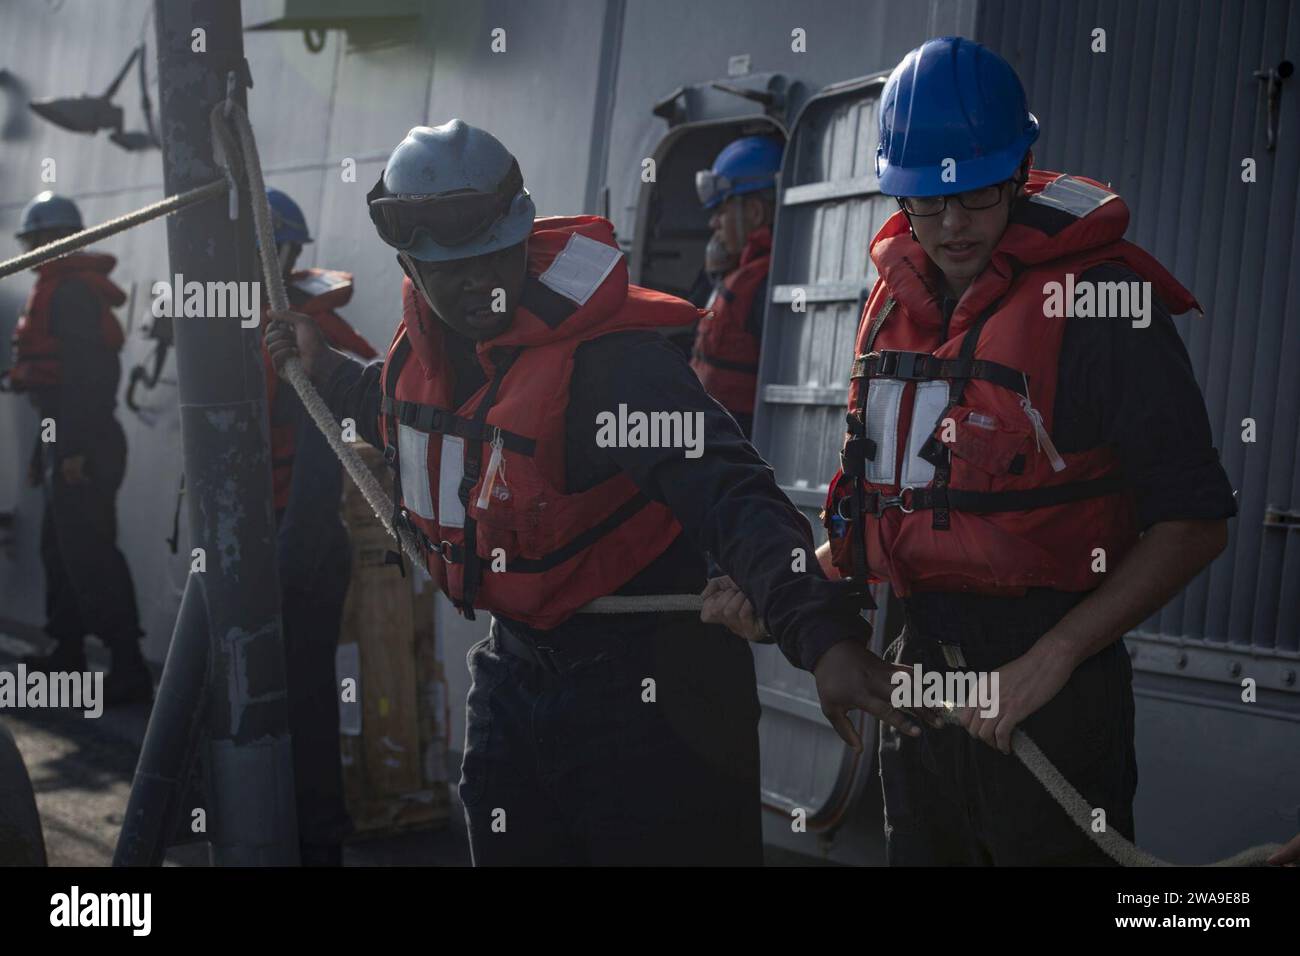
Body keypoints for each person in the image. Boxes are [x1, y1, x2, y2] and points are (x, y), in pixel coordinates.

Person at [265, 119, 930, 866]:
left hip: (657, 700)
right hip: (516, 676)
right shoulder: (427, 354)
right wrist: (324, 371)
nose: (472, 284)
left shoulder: (612, 370)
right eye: (445, 270)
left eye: (489, 259)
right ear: (410, 267)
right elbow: (410, 421)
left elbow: (729, 492)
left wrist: (823, 636)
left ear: (520, 238)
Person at [703, 37, 1239, 866]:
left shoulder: (1104, 305)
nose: (952, 224)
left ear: (1019, 172)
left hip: (1057, 694)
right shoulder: (895, 304)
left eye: (978, 195)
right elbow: (896, 514)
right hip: (916, 689)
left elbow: (1197, 523)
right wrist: (785, 587)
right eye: (925, 200)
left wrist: (1052, 658)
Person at [258, 187, 377, 866]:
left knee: (301, 697)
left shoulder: (304, 341)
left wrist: (286, 563)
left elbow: (312, 469)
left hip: (296, 542)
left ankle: (315, 842)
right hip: (271, 537)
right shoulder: (272, 327)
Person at [4, 191, 151, 707]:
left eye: (39, 241)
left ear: (57, 240)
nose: (34, 250)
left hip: (84, 443)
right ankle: (66, 652)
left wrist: (72, 451)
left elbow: (92, 380)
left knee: (91, 554)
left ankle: (129, 666)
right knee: (59, 550)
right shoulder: (58, 289)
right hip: (65, 440)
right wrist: (43, 453)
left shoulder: (69, 295)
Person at [688, 135, 782, 437]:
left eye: (722, 211)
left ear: (754, 213)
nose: (713, 224)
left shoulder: (764, 284)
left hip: (740, 447)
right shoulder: (741, 275)